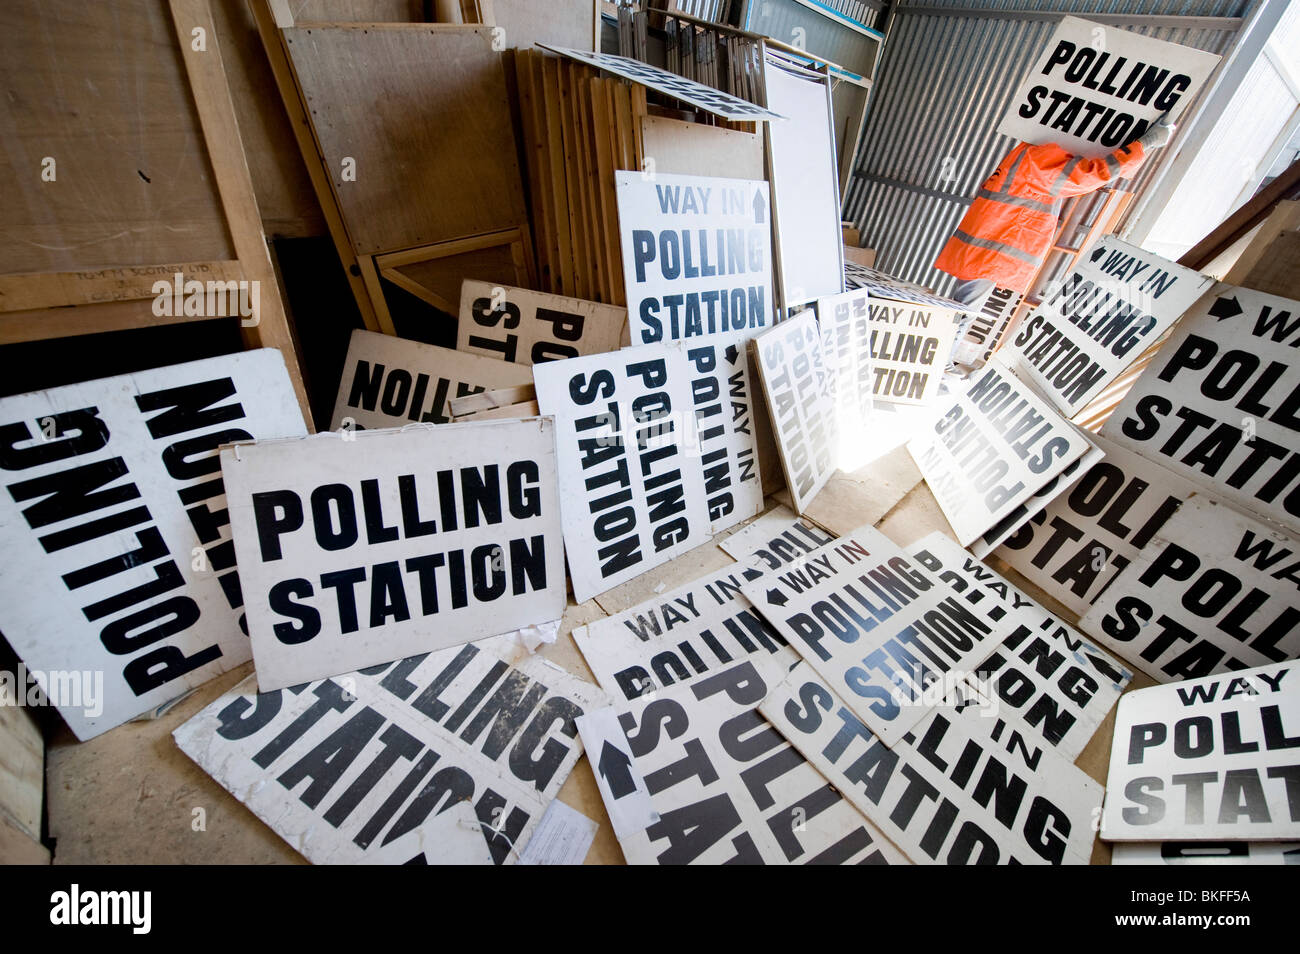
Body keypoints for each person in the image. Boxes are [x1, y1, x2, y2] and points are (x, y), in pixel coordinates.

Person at [935, 115, 1178, 309]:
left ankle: (942, 362)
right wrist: (1145, 144)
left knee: (963, 307)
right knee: (964, 311)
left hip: (987, 246)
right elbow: (1092, 175)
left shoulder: (1028, 151)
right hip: (992, 251)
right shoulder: (1040, 161)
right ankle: (941, 365)